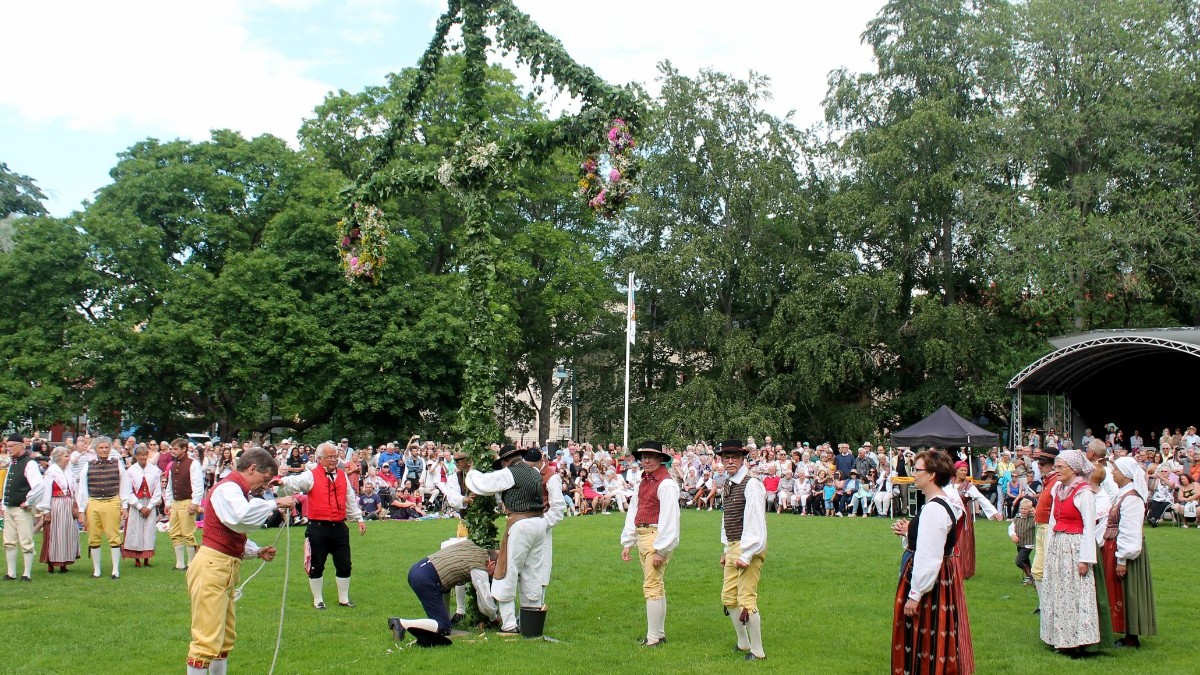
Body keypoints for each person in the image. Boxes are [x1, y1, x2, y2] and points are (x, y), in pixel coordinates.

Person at [185, 447, 294, 675]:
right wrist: (275, 503)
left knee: (224, 638)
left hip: (221, 567)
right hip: (213, 567)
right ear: (252, 468)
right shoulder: (229, 489)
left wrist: (256, 551)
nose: (265, 485)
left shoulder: (236, 490)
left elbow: (233, 532)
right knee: (206, 640)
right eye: (265, 479)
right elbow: (241, 517)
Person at [890, 450, 970, 675]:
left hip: (930, 583)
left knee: (926, 633)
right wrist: (910, 533)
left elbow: (930, 555)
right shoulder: (938, 503)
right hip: (935, 577)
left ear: (932, 475)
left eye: (918, 470)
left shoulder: (935, 508)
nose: (914, 474)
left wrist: (915, 595)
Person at [465, 444, 548, 635]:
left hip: (520, 524)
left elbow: (484, 484)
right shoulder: (534, 472)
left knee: (507, 569)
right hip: (539, 523)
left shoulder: (510, 473)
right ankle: (530, 620)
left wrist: (471, 472)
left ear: (505, 461)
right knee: (532, 571)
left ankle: (509, 623)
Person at [277, 441, 367, 610]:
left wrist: (359, 519)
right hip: (318, 527)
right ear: (320, 459)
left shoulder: (342, 475)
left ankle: (344, 598)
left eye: (335, 456)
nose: (334, 460)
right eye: (330, 457)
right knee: (316, 564)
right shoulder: (311, 475)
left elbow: (349, 498)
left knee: (344, 564)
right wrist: (282, 483)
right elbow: (295, 482)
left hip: (339, 527)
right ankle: (318, 599)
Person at [619, 441, 681, 647]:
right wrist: (629, 541)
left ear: (660, 459)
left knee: (652, 587)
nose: (646, 460)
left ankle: (653, 638)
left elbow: (670, 519)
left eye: (651, 457)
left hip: (656, 536)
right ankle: (659, 634)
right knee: (657, 586)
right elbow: (634, 511)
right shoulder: (643, 481)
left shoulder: (666, 484)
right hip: (644, 534)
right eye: (644, 457)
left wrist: (662, 550)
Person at [1040, 449, 1100, 655]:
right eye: (1055, 467)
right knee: (1059, 591)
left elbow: (1089, 527)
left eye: (1060, 467)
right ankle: (1060, 637)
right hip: (1059, 545)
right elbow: (1053, 520)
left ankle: (1077, 641)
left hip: (1075, 546)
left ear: (1073, 469)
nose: (1056, 471)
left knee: (1075, 593)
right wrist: (1050, 547)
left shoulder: (1083, 493)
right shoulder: (1059, 489)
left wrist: (1085, 559)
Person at [388, 538, 499, 644]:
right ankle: (402, 624)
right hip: (425, 579)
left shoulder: (470, 546)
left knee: (445, 588)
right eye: (495, 572)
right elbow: (485, 600)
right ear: (492, 564)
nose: (493, 576)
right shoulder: (479, 566)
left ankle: (443, 618)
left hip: (418, 569)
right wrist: (495, 617)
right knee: (443, 627)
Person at [718, 439, 767, 661]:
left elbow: (756, 521)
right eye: (726, 457)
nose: (730, 461)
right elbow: (727, 518)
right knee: (729, 597)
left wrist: (747, 554)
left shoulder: (752, 484)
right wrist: (727, 548)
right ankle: (743, 642)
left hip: (749, 547)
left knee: (746, 599)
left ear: (742, 459)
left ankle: (758, 652)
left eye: (734, 457)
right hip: (733, 546)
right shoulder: (728, 484)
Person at [1103, 457, 1157, 649]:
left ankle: (1132, 637)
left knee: (1129, 591)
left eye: (1115, 470)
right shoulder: (1124, 494)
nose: (1112, 472)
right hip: (1117, 549)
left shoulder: (1132, 498)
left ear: (1126, 474)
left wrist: (1123, 559)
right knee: (1122, 591)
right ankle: (1126, 633)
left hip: (1126, 553)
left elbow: (1130, 530)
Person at [76, 435, 130, 579]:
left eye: (106, 447)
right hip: (93, 502)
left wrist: (124, 505)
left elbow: (125, 485)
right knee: (93, 537)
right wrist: (81, 510)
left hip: (112, 501)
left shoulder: (117, 463)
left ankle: (115, 570)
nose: (104, 450)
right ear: (96, 449)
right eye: (101, 448)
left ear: (110, 448)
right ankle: (96, 570)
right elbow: (82, 489)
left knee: (114, 536)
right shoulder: (88, 465)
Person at [3, 433, 46, 581]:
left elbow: (39, 486)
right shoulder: (13, 463)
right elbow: (7, 486)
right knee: (8, 541)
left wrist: (28, 502)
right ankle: (11, 573)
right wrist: (4, 504)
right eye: (6, 447)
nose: (7, 449)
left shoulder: (30, 463)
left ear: (20, 446)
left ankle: (26, 574)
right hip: (9, 507)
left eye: (10, 446)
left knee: (26, 541)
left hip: (22, 509)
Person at [949, 460, 1000, 579]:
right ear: (956, 471)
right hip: (949, 515)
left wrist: (994, 512)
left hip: (963, 517)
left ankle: (963, 570)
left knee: (962, 543)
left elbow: (981, 499)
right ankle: (949, 569)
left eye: (965, 471)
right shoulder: (948, 484)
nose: (963, 472)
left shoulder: (969, 486)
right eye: (961, 470)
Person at [37, 446, 81, 573]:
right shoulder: (51, 472)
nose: (68, 459)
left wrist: (75, 504)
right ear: (58, 458)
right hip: (56, 503)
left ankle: (64, 563)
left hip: (68, 503)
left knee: (67, 533)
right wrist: (47, 511)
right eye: (66, 456)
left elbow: (74, 489)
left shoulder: (69, 471)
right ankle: (51, 563)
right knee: (55, 533)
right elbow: (46, 492)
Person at [165, 438, 206, 571]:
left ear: (184, 449)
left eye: (176, 449)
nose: (173, 451)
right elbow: (170, 486)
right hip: (176, 502)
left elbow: (198, 485)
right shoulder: (172, 465)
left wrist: (195, 503)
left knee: (188, 533)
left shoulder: (193, 464)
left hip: (188, 501)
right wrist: (168, 503)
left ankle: (191, 563)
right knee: (175, 532)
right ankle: (180, 563)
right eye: (172, 449)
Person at [1029, 446, 1059, 612]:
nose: (1039, 466)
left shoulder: (1055, 483)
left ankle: (1046, 605)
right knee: (1039, 570)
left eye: (1043, 463)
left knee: (1040, 570)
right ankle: (1044, 605)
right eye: (1038, 463)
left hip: (1049, 528)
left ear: (1052, 465)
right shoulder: (1048, 481)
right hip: (1042, 528)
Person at [123, 444, 162, 567]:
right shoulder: (131, 471)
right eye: (141, 455)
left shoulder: (154, 470)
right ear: (136, 456)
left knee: (149, 530)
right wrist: (139, 506)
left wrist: (150, 506)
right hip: (136, 503)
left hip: (150, 502)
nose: (144, 457)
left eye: (145, 455)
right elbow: (127, 491)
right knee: (136, 529)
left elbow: (157, 490)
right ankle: (137, 558)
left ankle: (147, 558)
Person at [1009, 497, 1036, 585]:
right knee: (1026, 560)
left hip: (1028, 544)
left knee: (1019, 561)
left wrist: (1036, 513)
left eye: (1026, 509)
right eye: (1022, 508)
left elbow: (1040, 523)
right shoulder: (1017, 518)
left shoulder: (1033, 518)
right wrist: (1013, 535)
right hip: (1020, 544)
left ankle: (1031, 576)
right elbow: (1011, 528)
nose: (1023, 510)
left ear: (1031, 510)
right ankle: (1031, 577)